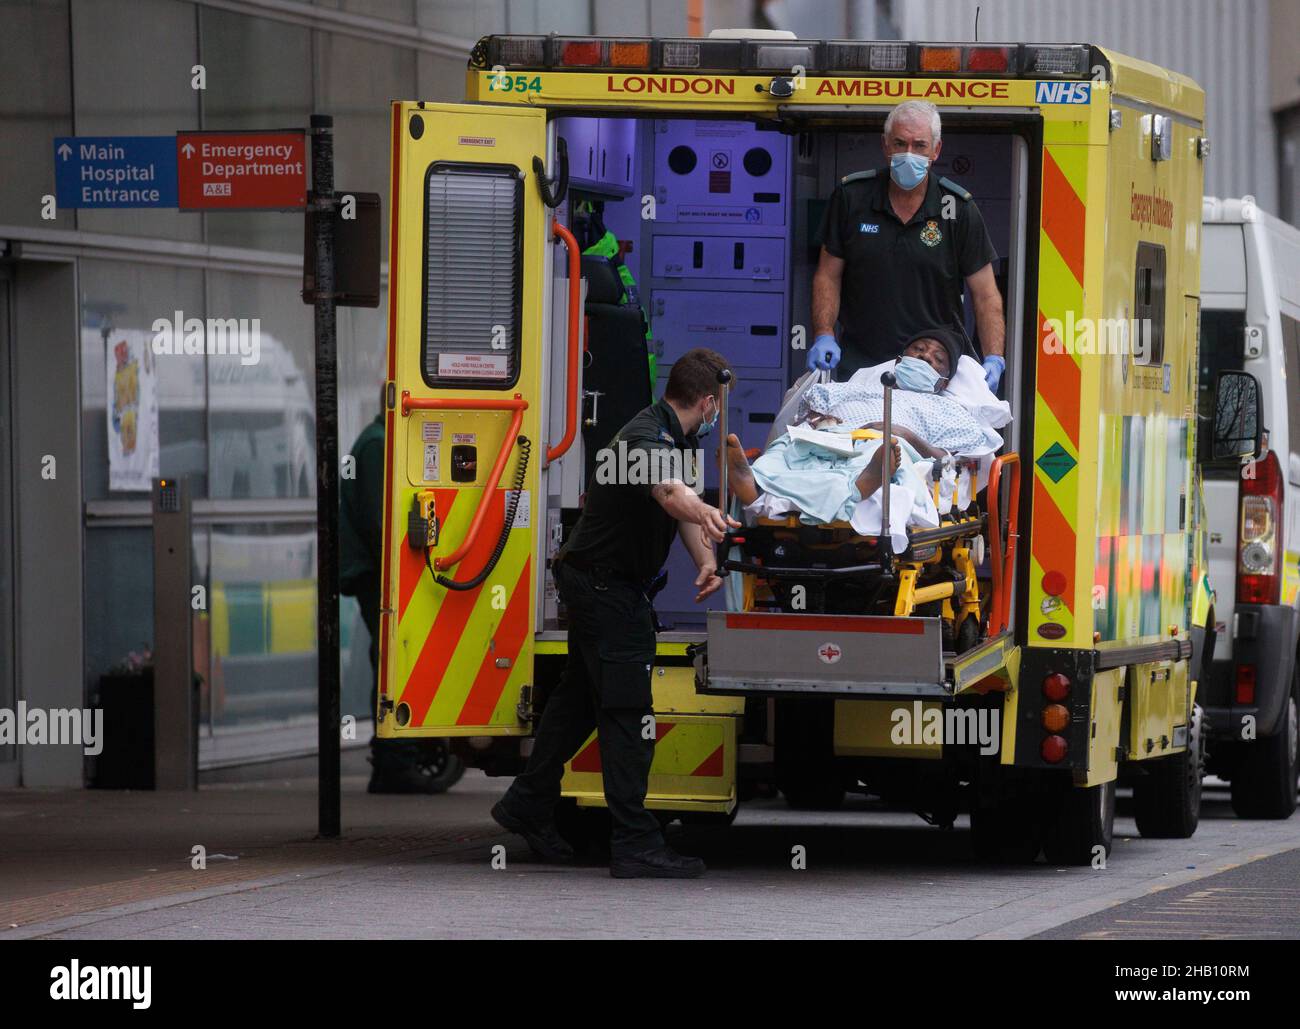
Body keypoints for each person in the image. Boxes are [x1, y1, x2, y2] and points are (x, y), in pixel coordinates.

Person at [491, 348, 738, 879]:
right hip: (606, 589)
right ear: (709, 401)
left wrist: (706, 560)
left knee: (578, 702)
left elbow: (681, 507)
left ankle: (527, 804)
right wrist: (708, 512)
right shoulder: (644, 438)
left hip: (601, 584)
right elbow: (674, 497)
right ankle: (635, 842)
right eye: (720, 405)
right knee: (628, 713)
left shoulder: (679, 437)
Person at [809, 100, 1007, 391]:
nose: (909, 154)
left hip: (933, 368)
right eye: (900, 144)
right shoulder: (852, 198)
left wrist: (994, 357)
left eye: (920, 145)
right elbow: (828, 274)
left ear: (936, 151)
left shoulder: (958, 209)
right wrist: (823, 333)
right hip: (863, 364)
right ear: (885, 146)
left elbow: (986, 293)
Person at [339, 390, 463, 794]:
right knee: (393, 655)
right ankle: (394, 759)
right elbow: (381, 522)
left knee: (389, 654)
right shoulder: (376, 445)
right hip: (373, 571)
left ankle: (392, 756)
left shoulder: (374, 441)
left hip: (370, 569)